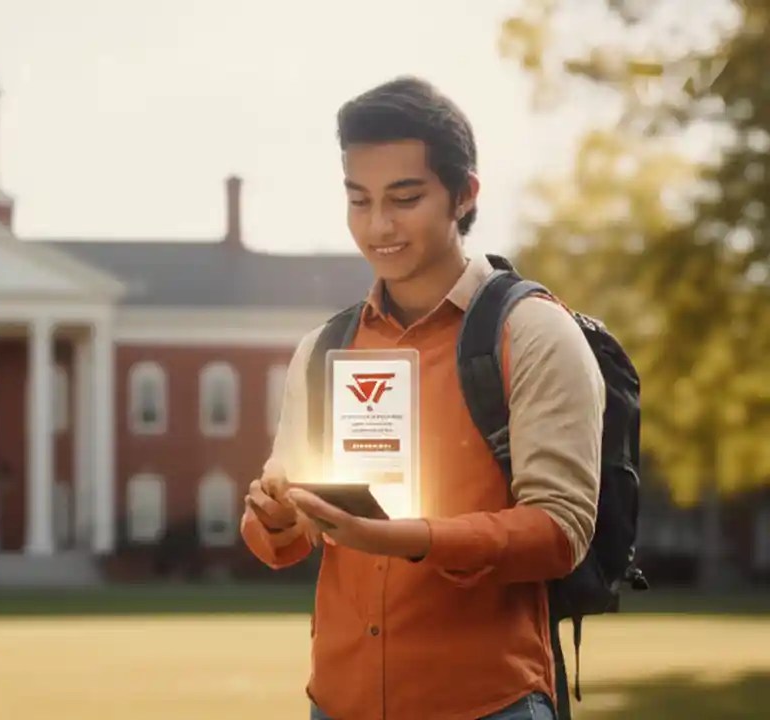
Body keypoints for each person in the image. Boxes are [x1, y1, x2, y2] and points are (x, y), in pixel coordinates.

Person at [241, 76, 605, 720]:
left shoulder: (533, 334)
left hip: (487, 705)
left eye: (404, 198)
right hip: (338, 703)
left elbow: (561, 531)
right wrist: (274, 515)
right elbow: (289, 537)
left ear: (464, 194)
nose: (378, 225)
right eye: (359, 200)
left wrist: (408, 539)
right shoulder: (325, 349)